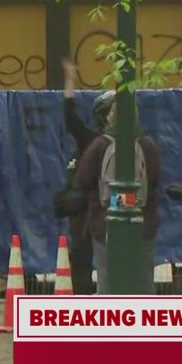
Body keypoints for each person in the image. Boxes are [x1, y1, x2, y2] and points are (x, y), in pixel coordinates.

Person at [74, 92, 162, 294]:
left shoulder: (100, 146)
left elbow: (82, 179)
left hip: (105, 225)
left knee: (107, 280)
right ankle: (144, 322)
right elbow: (156, 178)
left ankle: (112, 323)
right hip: (143, 224)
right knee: (144, 281)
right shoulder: (147, 145)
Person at [51, 61, 102, 294]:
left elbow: (70, 117)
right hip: (83, 212)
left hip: (91, 211)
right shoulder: (92, 141)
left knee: (86, 254)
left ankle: (84, 289)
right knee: (81, 256)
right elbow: (69, 116)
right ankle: (81, 291)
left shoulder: (96, 142)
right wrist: (70, 79)